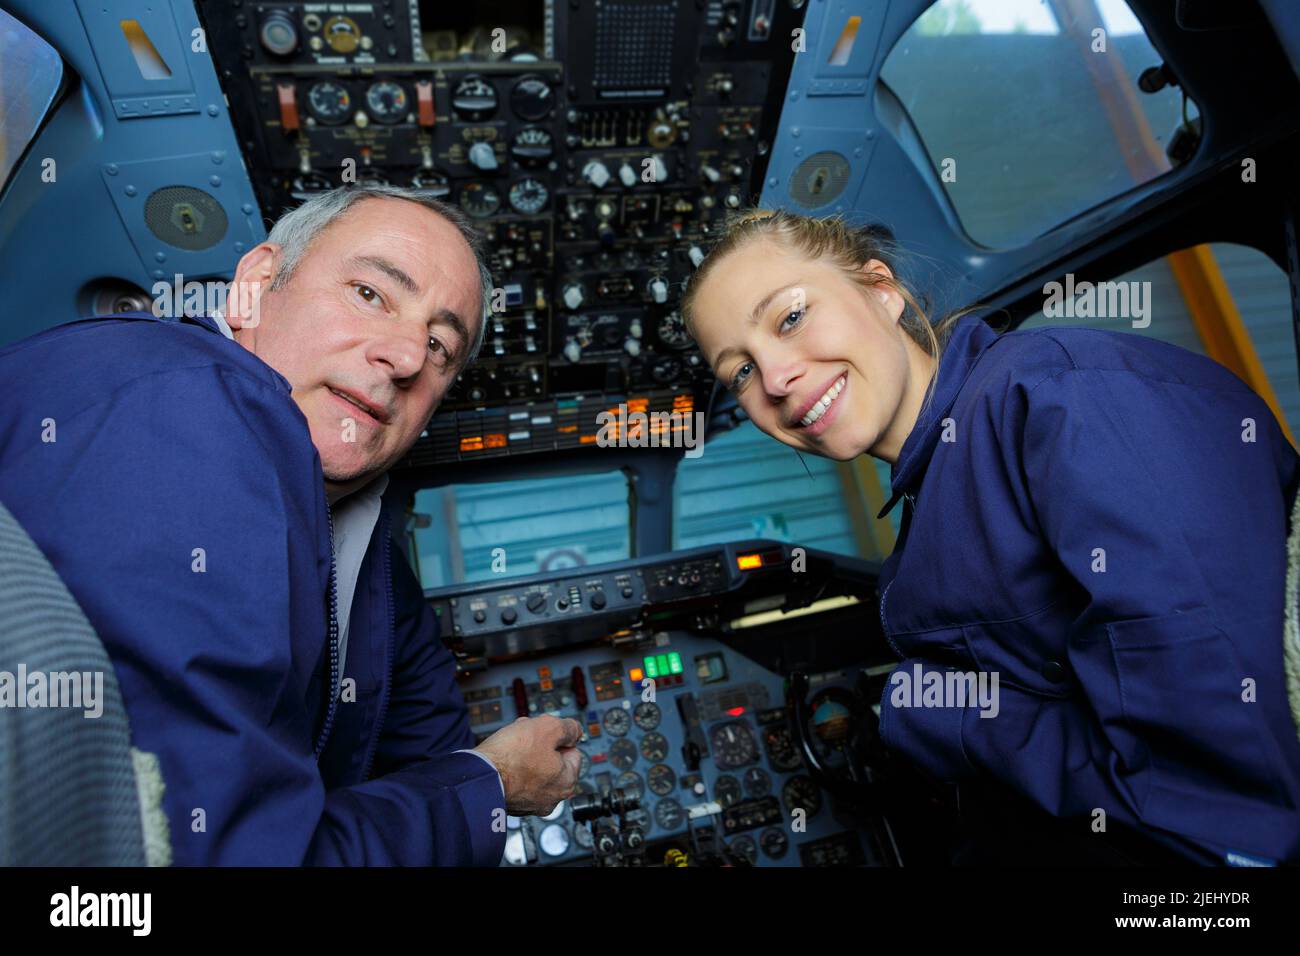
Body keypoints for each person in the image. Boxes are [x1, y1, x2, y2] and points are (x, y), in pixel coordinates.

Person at [680, 208, 1300, 865]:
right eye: (740, 373)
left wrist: (936, 717)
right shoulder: (936, 491)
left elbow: (1222, 809)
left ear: (881, 289)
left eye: (791, 318)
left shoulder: (1057, 400)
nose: (775, 380)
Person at [0, 184, 581, 865]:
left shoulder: (363, 551)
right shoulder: (180, 418)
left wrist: (470, 778)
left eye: (440, 345)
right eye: (370, 293)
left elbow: (429, 737)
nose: (406, 356)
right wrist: (494, 785)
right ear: (256, 282)